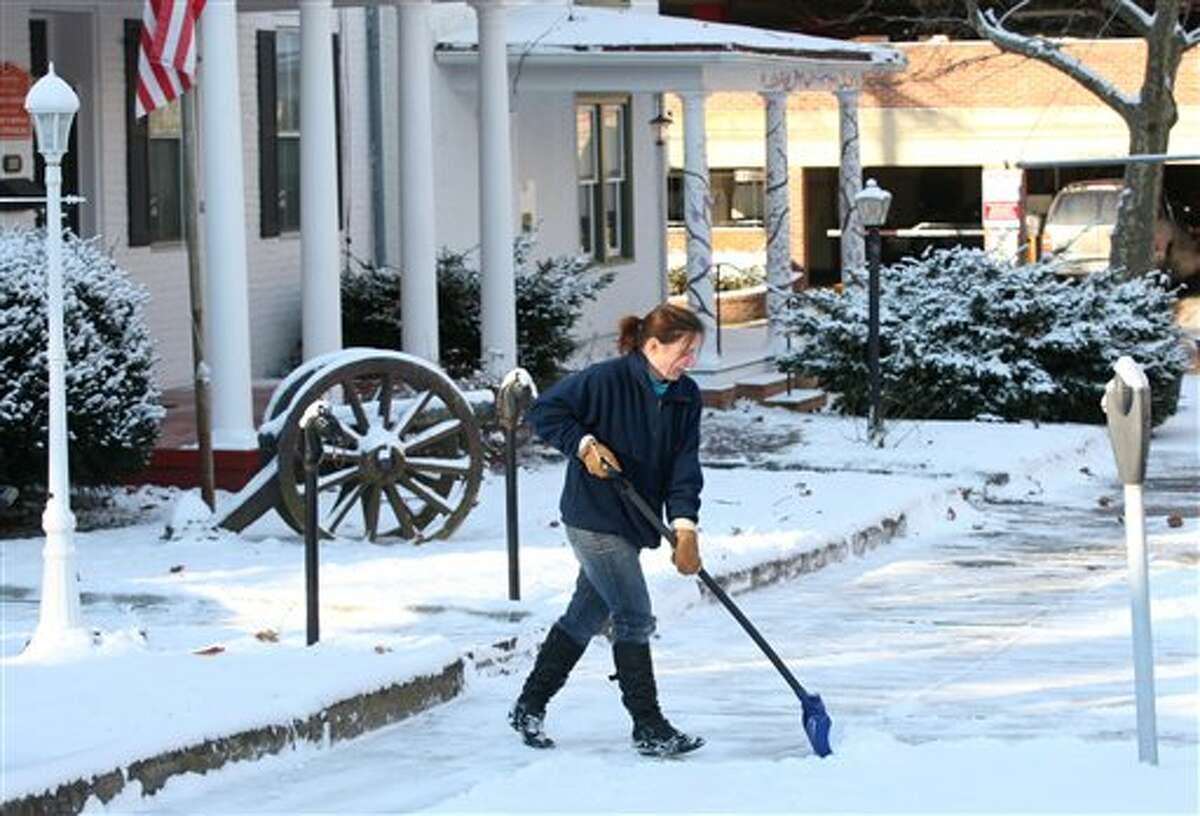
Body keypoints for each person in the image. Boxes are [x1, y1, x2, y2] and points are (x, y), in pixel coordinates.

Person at [508, 303, 707, 757]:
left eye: (694, 352)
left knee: (584, 616)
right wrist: (584, 445)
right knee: (634, 615)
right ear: (652, 345)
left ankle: (528, 705)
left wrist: (685, 526)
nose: (690, 361)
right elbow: (546, 412)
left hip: (634, 521)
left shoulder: (685, 395)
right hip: (593, 516)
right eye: (684, 350)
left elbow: (684, 465)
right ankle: (649, 726)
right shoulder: (605, 379)